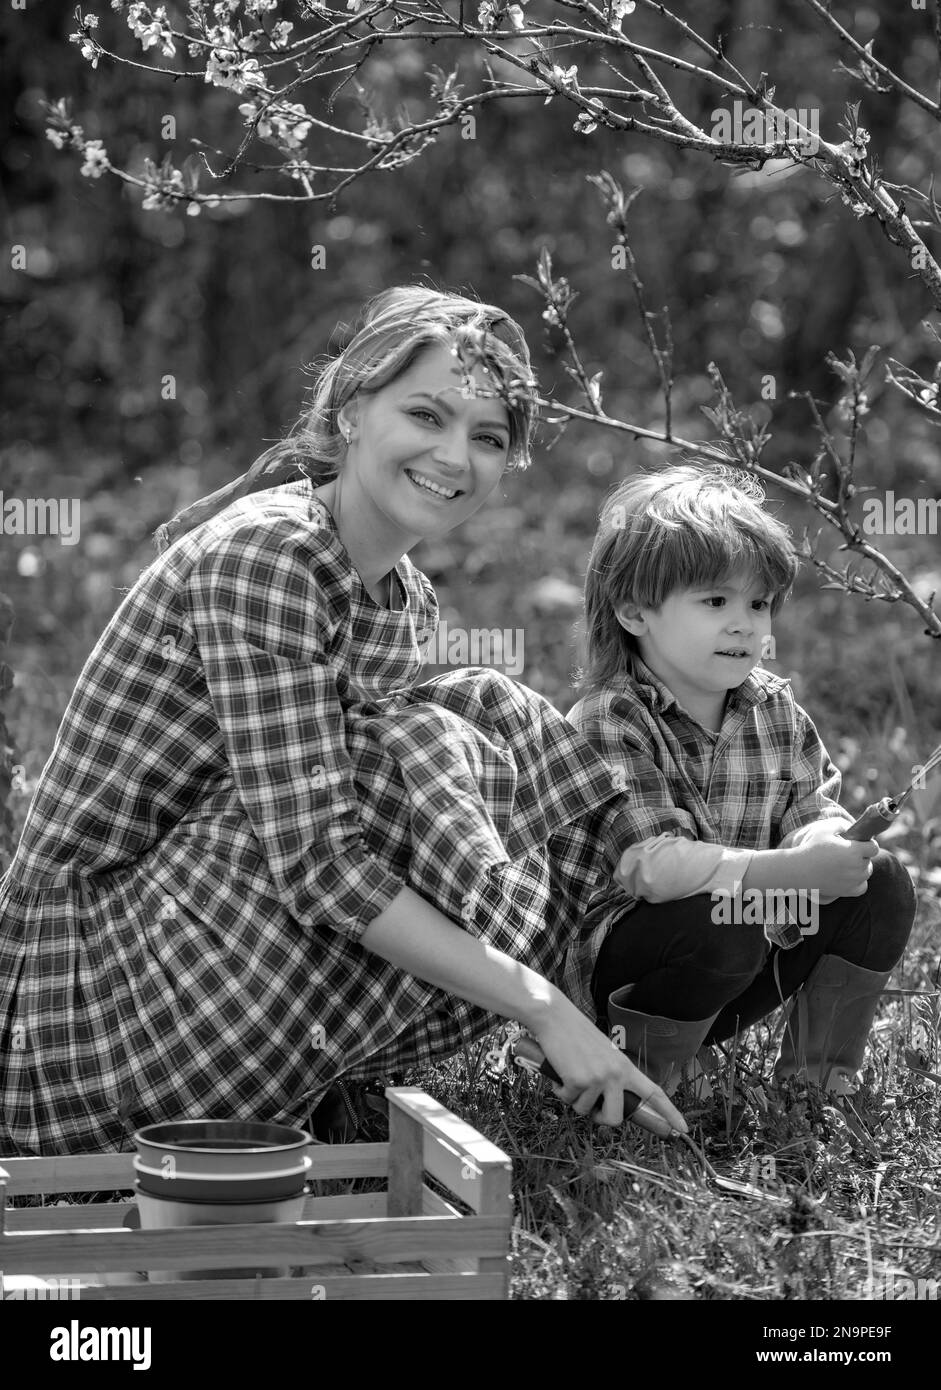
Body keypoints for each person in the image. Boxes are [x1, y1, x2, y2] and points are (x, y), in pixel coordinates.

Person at [0, 286, 686, 1156]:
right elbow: (319, 861)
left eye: (486, 437)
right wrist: (537, 1005)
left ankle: (633, 991)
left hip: (192, 959)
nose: (454, 455)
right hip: (73, 1003)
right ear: (351, 410)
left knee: (490, 717)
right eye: (426, 415)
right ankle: (552, 1012)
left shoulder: (403, 595)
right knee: (417, 752)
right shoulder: (267, 554)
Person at [567, 464, 917, 1096]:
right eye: (715, 601)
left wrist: (825, 847)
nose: (744, 624)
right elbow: (654, 869)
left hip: (739, 957)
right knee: (722, 916)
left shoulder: (774, 710)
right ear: (634, 611)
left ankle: (817, 1082)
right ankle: (646, 1073)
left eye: (758, 604)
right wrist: (788, 872)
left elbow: (812, 811)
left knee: (880, 882)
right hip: (625, 980)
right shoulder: (609, 720)